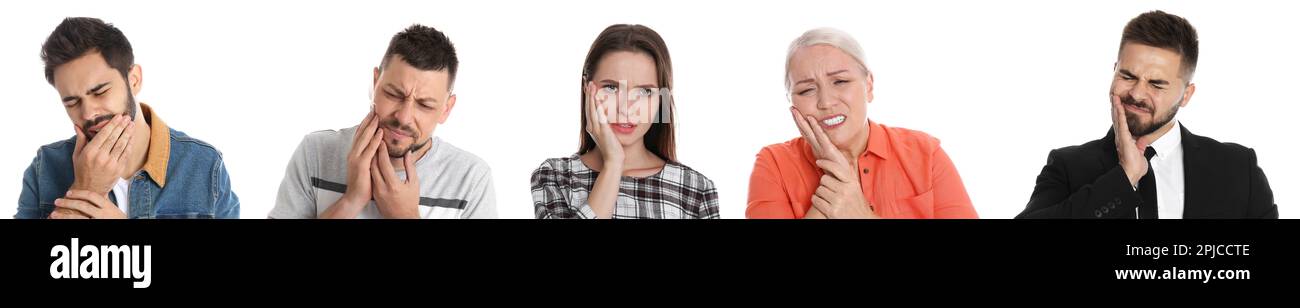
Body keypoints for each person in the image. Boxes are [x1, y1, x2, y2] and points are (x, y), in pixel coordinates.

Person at [1018, 11, 1276, 219]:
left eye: (1156, 84)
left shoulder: (1239, 169)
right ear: (1114, 70)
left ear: (1186, 95)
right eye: (1127, 76)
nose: (1137, 94)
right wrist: (1124, 177)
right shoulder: (1068, 166)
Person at [17, 17, 240, 219]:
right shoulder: (45, 167)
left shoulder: (204, 166)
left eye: (100, 92)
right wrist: (86, 189)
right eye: (72, 102)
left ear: (133, 80)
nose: (88, 113)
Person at [747, 27, 976, 219]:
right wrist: (837, 178)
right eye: (807, 90)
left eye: (840, 81)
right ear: (791, 102)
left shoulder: (926, 153)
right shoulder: (773, 164)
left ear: (869, 86)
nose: (826, 102)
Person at [270, 24, 496, 219]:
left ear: (446, 109)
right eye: (394, 94)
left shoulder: (471, 178)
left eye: (425, 105)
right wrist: (351, 201)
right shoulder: (316, 153)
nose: (404, 117)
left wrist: (405, 215)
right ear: (375, 82)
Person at [531, 24, 719, 219]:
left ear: (661, 99)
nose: (625, 108)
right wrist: (613, 164)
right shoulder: (556, 176)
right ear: (587, 89)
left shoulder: (696, 189)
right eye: (611, 88)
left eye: (645, 91)